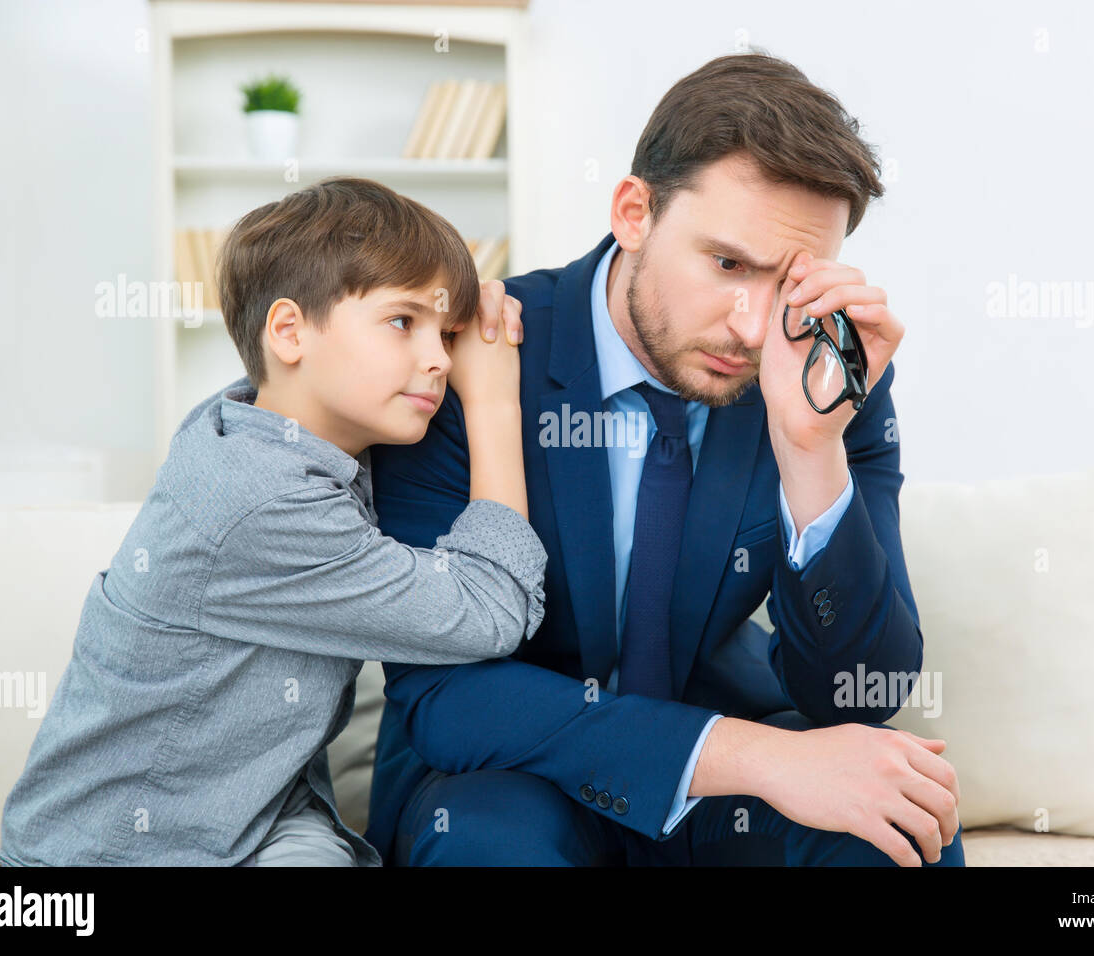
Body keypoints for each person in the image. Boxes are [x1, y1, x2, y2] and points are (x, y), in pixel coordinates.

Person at [365, 51, 966, 867]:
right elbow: (443, 694)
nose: (754, 328)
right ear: (633, 212)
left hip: (722, 790)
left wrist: (808, 449)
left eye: (788, 284)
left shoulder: (825, 378)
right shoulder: (475, 354)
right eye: (727, 264)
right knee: (487, 844)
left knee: (898, 827)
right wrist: (756, 757)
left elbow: (863, 692)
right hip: (509, 777)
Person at [0, 176, 544, 866]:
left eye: (451, 334)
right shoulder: (260, 501)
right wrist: (496, 403)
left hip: (264, 813)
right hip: (119, 852)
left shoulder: (256, 423)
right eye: (403, 322)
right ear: (289, 332)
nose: (440, 359)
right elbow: (489, 612)